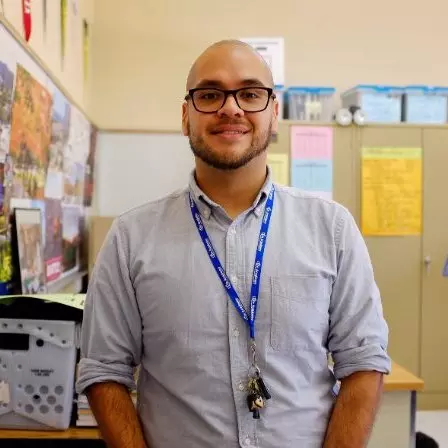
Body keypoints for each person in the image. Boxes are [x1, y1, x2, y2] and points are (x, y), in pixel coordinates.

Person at [76, 40, 391, 448]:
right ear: (186, 116)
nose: (231, 108)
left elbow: (364, 362)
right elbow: (103, 371)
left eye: (250, 93)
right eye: (209, 94)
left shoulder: (331, 228)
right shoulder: (131, 237)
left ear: (273, 114)